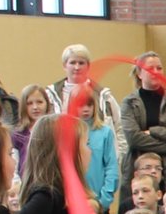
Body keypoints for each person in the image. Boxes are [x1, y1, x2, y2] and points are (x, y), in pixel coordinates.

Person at [121, 51, 166, 189]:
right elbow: (133, 138)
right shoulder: (129, 102)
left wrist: (153, 131)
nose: (156, 72)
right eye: (150, 68)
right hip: (139, 165)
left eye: (159, 68)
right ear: (139, 73)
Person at [51, 44, 128, 175]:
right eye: (72, 62)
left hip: (98, 164)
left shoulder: (104, 95)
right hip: (63, 164)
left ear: (88, 66)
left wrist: (117, 157)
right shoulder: (50, 96)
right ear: (65, 65)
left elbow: (120, 126)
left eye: (81, 63)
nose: (77, 67)